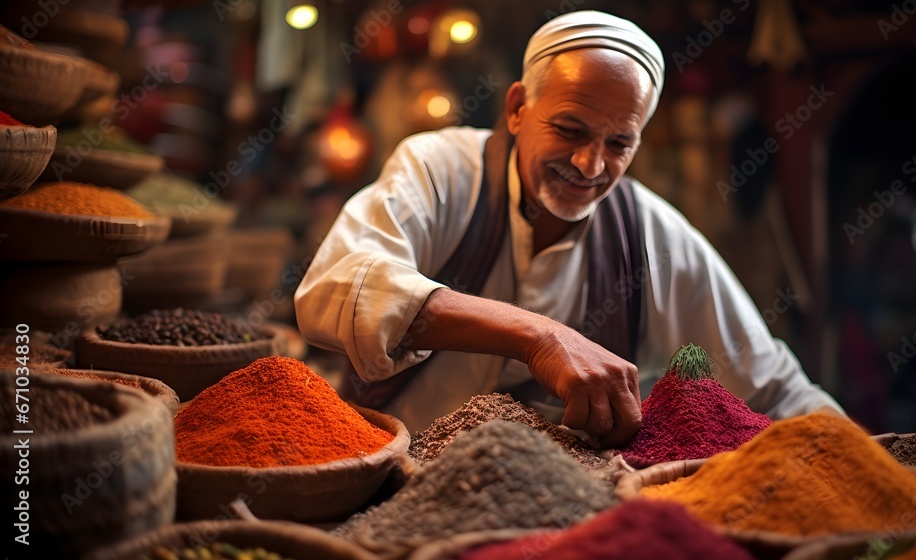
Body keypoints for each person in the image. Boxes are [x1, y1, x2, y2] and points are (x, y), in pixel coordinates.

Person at [294, 10, 844, 447]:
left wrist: (872, 464)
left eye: (618, 143)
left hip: (560, 522)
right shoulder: (441, 170)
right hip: (388, 482)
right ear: (516, 108)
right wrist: (539, 336)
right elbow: (335, 288)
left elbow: (773, 388)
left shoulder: (648, 233)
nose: (589, 164)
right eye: (569, 129)